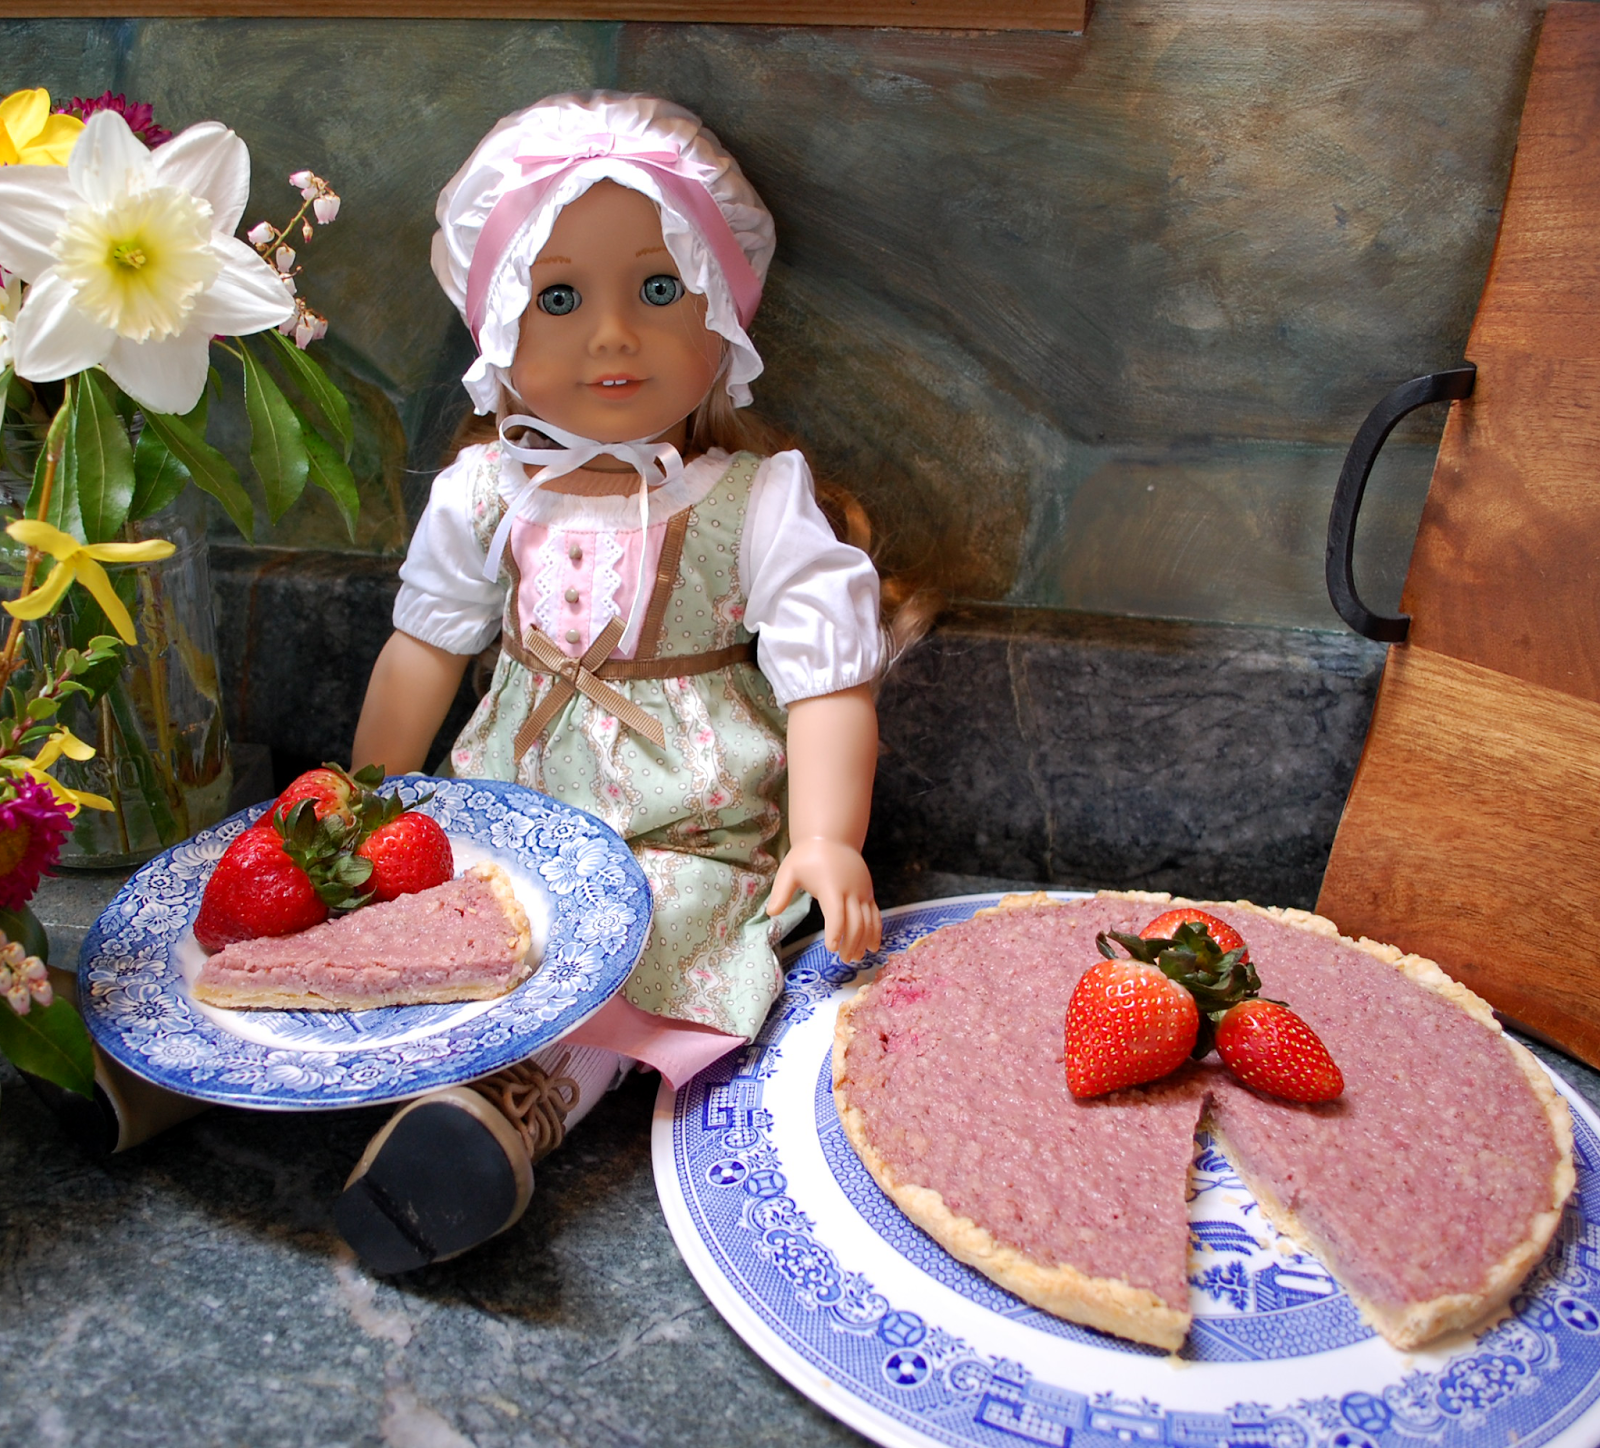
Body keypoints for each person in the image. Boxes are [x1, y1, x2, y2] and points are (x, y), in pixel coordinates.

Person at [330, 91, 927, 1272]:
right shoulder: (483, 493)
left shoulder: (754, 502)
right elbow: (424, 651)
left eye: (658, 289)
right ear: (498, 324)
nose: (611, 336)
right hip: (508, 808)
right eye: (558, 298)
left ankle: (516, 1107)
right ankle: (251, 1075)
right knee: (408, 920)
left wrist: (826, 836)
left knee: (656, 932)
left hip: (681, 825)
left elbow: (826, 681)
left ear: (726, 310)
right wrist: (360, 799)